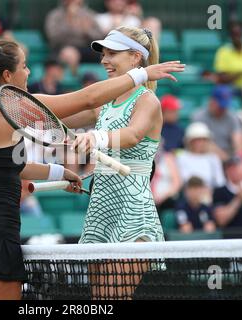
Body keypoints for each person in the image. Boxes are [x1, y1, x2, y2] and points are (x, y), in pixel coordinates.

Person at [0, 39, 184, 300]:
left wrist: (60, 173)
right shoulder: (14, 106)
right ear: (8, 75)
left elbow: (7, 168)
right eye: (25, 66)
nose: (29, 72)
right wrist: (142, 73)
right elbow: (87, 98)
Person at [62, 26, 181, 299]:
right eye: (103, 54)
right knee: (100, 302)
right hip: (101, 209)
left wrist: (96, 137)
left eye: (112, 53)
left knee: (114, 299)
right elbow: (58, 119)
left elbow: (132, 135)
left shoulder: (148, 100)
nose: (104, 60)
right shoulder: (104, 101)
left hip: (134, 211)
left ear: (135, 58)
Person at [192, 85, 242, 161]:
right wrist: (226, 159)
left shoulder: (232, 116)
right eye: (220, 106)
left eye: (225, 106)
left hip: (229, 155)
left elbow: (238, 140)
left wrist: (237, 157)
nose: (223, 109)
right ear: (212, 101)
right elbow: (203, 144)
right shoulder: (199, 117)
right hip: (206, 157)